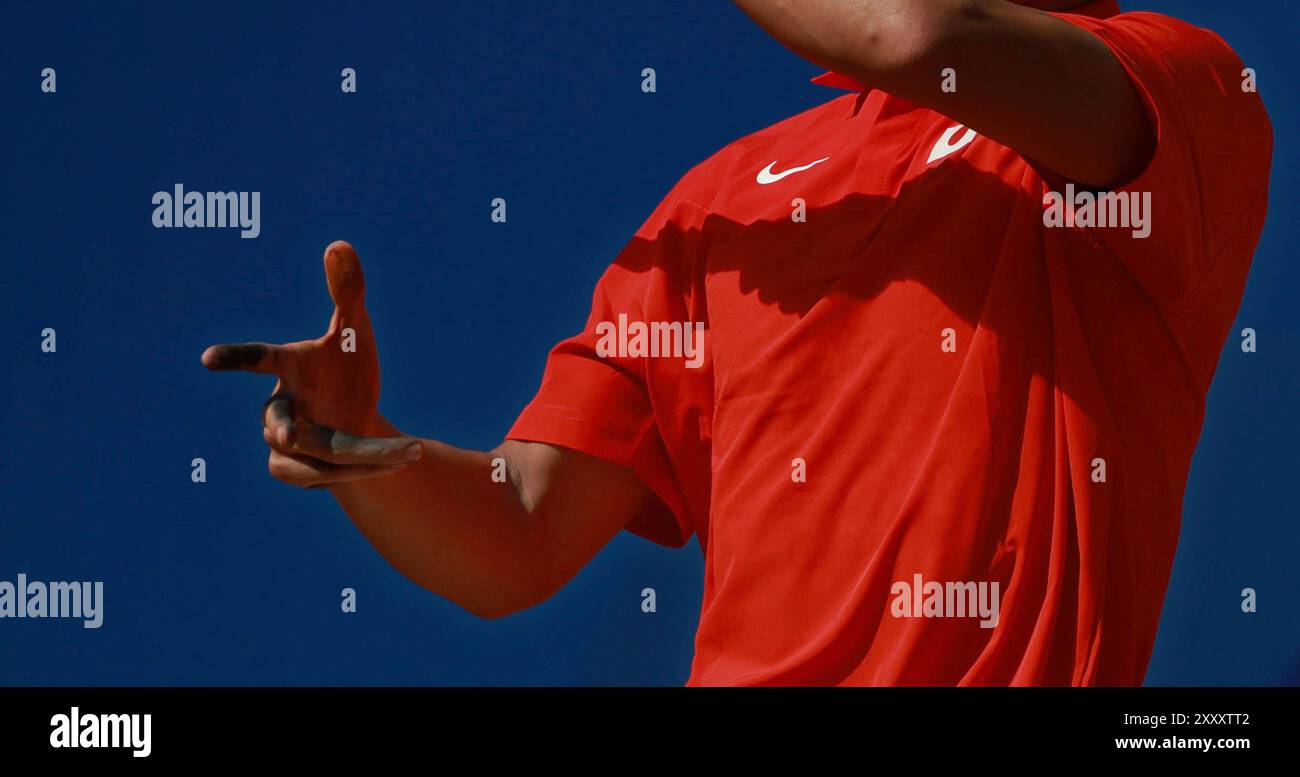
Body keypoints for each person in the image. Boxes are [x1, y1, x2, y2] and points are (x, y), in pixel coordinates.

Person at [203, 0, 1272, 685]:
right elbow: (516, 528)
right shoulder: (720, 202)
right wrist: (359, 445)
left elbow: (921, 43)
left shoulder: (1177, 83)